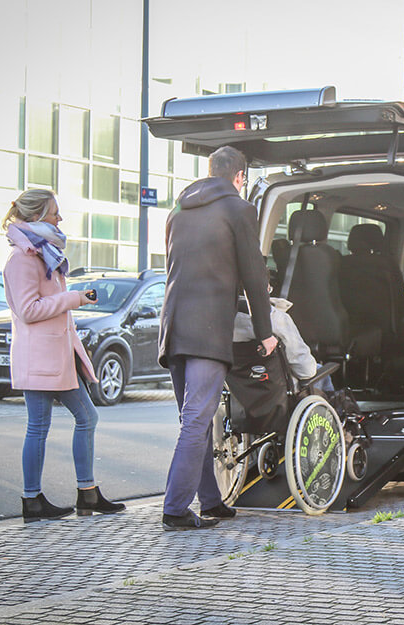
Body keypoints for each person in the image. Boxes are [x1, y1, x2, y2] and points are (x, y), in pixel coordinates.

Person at [158, 145, 278, 531]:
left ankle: (211, 501)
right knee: (197, 421)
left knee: (193, 419)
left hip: (173, 326)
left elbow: (175, 265)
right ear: (239, 177)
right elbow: (254, 275)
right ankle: (175, 510)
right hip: (208, 330)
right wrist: (266, 332)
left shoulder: (179, 209)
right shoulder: (238, 209)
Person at [3, 189, 125, 523]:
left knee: (85, 417)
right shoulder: (23, 258)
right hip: (40, 357)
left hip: (56, 354)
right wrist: (74, 298)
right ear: (36, 218)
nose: (60, 219)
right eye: (55, 213)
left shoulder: (43, 253)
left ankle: (85, 492)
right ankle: (35, 499)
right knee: (41, 426)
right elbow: (28, 310)